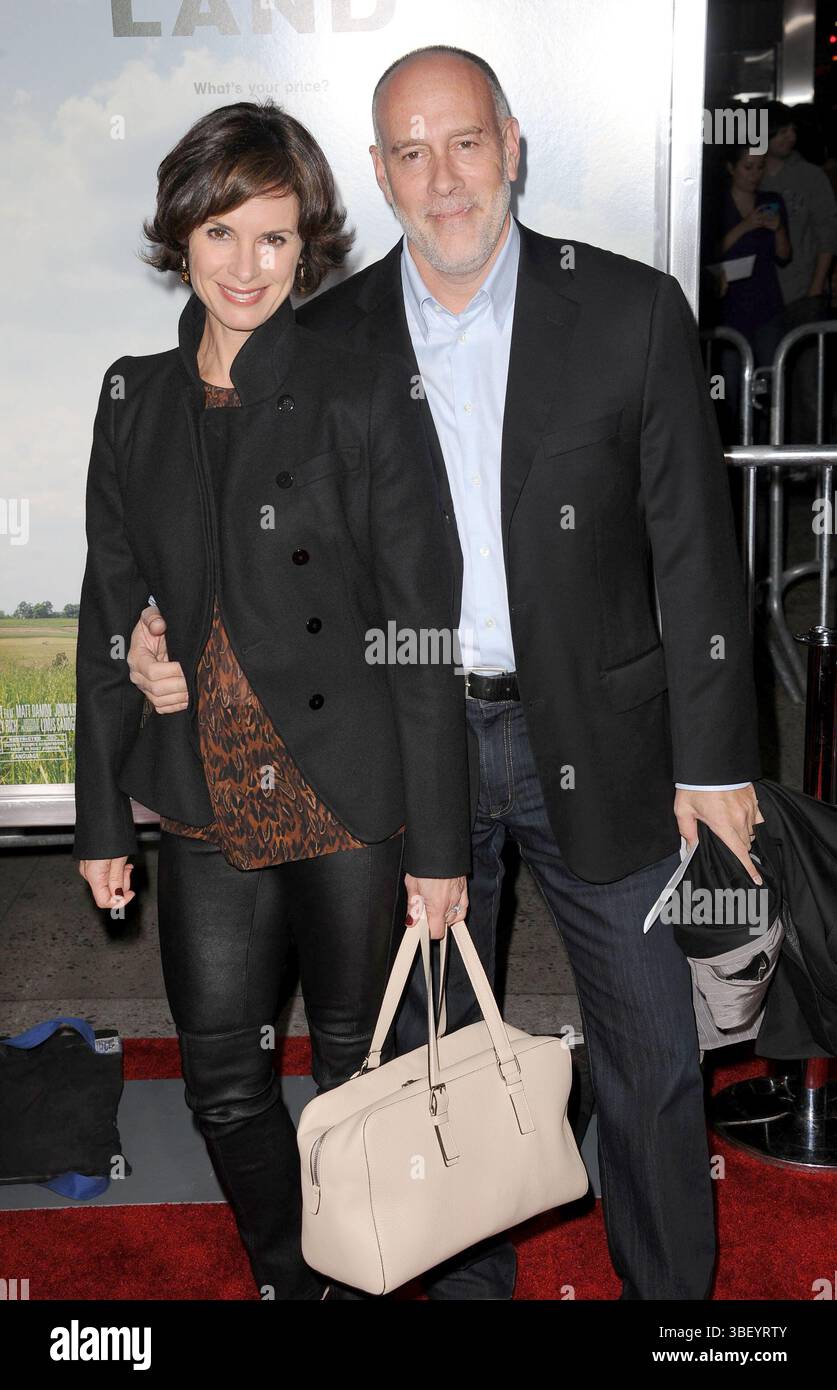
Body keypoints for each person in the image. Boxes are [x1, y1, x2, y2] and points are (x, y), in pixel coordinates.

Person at [128, 46, 766, 1301]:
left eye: (465, 142)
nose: (444, 176)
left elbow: (698, 556)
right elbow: (225, 520)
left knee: (651, 1056)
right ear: (379, 173)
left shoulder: (633, 312)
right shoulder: (319, 336)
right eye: (410, 153)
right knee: (430, 1060)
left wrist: (718, 759)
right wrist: (157, 625)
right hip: (404, 741)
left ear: (513, 145)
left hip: (608, 730)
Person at [72, 99, 472, 1301]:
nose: (245, 267)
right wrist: (101, 817)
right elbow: (110, 611)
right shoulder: (134, 398)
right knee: (224, 1081)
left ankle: (358, 1280)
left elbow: (421, 629)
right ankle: (290, 1274)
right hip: (205, 793)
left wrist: (439, 843)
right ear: (179, 237)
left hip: (346, 786)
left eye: (276, 240)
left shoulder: (362, 389)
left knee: (354, 1076)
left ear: (308, 250)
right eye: (220, 235)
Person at [701, 142, 790, 440]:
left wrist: (777, 229)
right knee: (730, 388)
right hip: (728, 308)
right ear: (731, 168)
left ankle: (768, 462)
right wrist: (747, 226)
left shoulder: (771, 200)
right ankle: (734, 458)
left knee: (769, 385)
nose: (754, 175)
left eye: (760, 167)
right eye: (747, 167)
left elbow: (785, 255)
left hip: (766, 304)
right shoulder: (717, 205)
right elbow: (709, 253)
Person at [762, 101, 837, 440]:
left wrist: (816, 287)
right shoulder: (751, 170)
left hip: (804, 293)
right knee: (767, 383)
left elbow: (827, 233)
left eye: (793, 130)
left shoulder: (810, 175)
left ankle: (809, 465)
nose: (790, 137)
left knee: (808, 383)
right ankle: (770, 462)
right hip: (761, 297)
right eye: (782, 130)